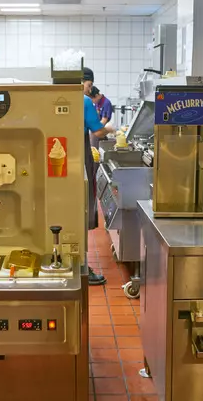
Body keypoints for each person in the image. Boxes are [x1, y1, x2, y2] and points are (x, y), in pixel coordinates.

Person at [83, 67, 114, 286]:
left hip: (64, 163)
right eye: (87, 84)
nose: (89, 88)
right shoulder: (84, 102)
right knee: (82, 212)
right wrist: (112, 129)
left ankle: (76, 264)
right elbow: (98, 131)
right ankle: (82, 267)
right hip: (80, 165)